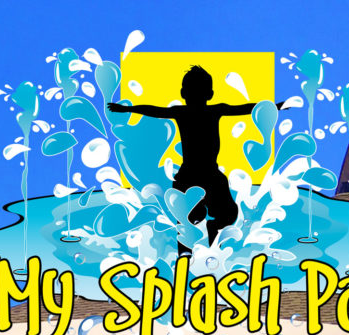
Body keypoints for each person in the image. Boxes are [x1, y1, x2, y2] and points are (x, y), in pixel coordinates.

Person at [108, 65, 259, 245]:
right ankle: (209, 235)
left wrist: (127, 110)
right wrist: (273, 108)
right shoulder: (212, 110)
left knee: (190, 221)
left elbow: (154, 110)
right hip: (206, 175)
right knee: (219, 216)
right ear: (210, 94)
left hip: (191, 176)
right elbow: (245, 108)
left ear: (183, 93)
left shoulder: (184, 112)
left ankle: (191, 249)